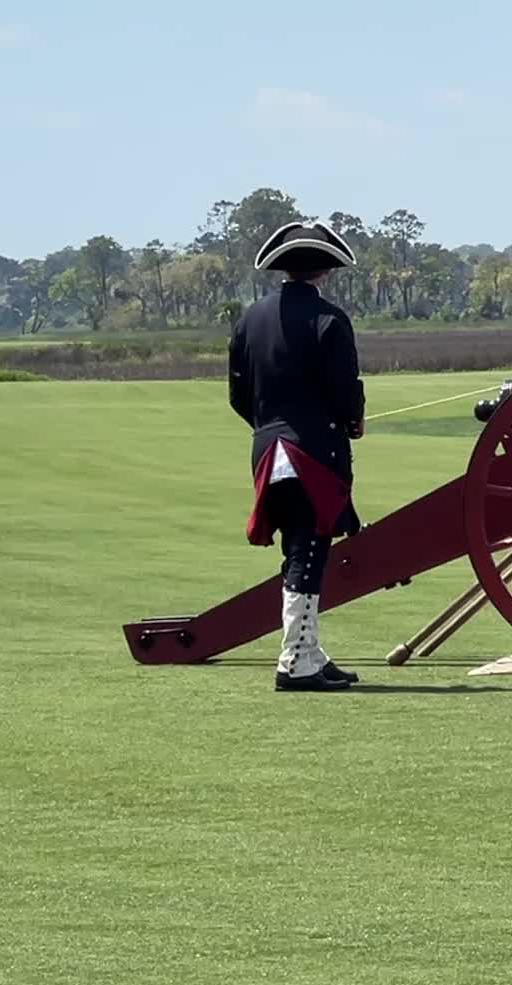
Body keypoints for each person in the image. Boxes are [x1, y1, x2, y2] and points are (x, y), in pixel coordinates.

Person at [229, 221, 366, 692]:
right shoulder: (330, 319)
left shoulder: (250, 320)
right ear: (326, 269)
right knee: (308, 551)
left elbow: (238, 395)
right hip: (313, 450)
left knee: (298, 550)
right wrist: (353, 421)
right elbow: (345, 390)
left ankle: (308, 651)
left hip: (268, 448)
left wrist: (271, 427)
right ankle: (294, 661)